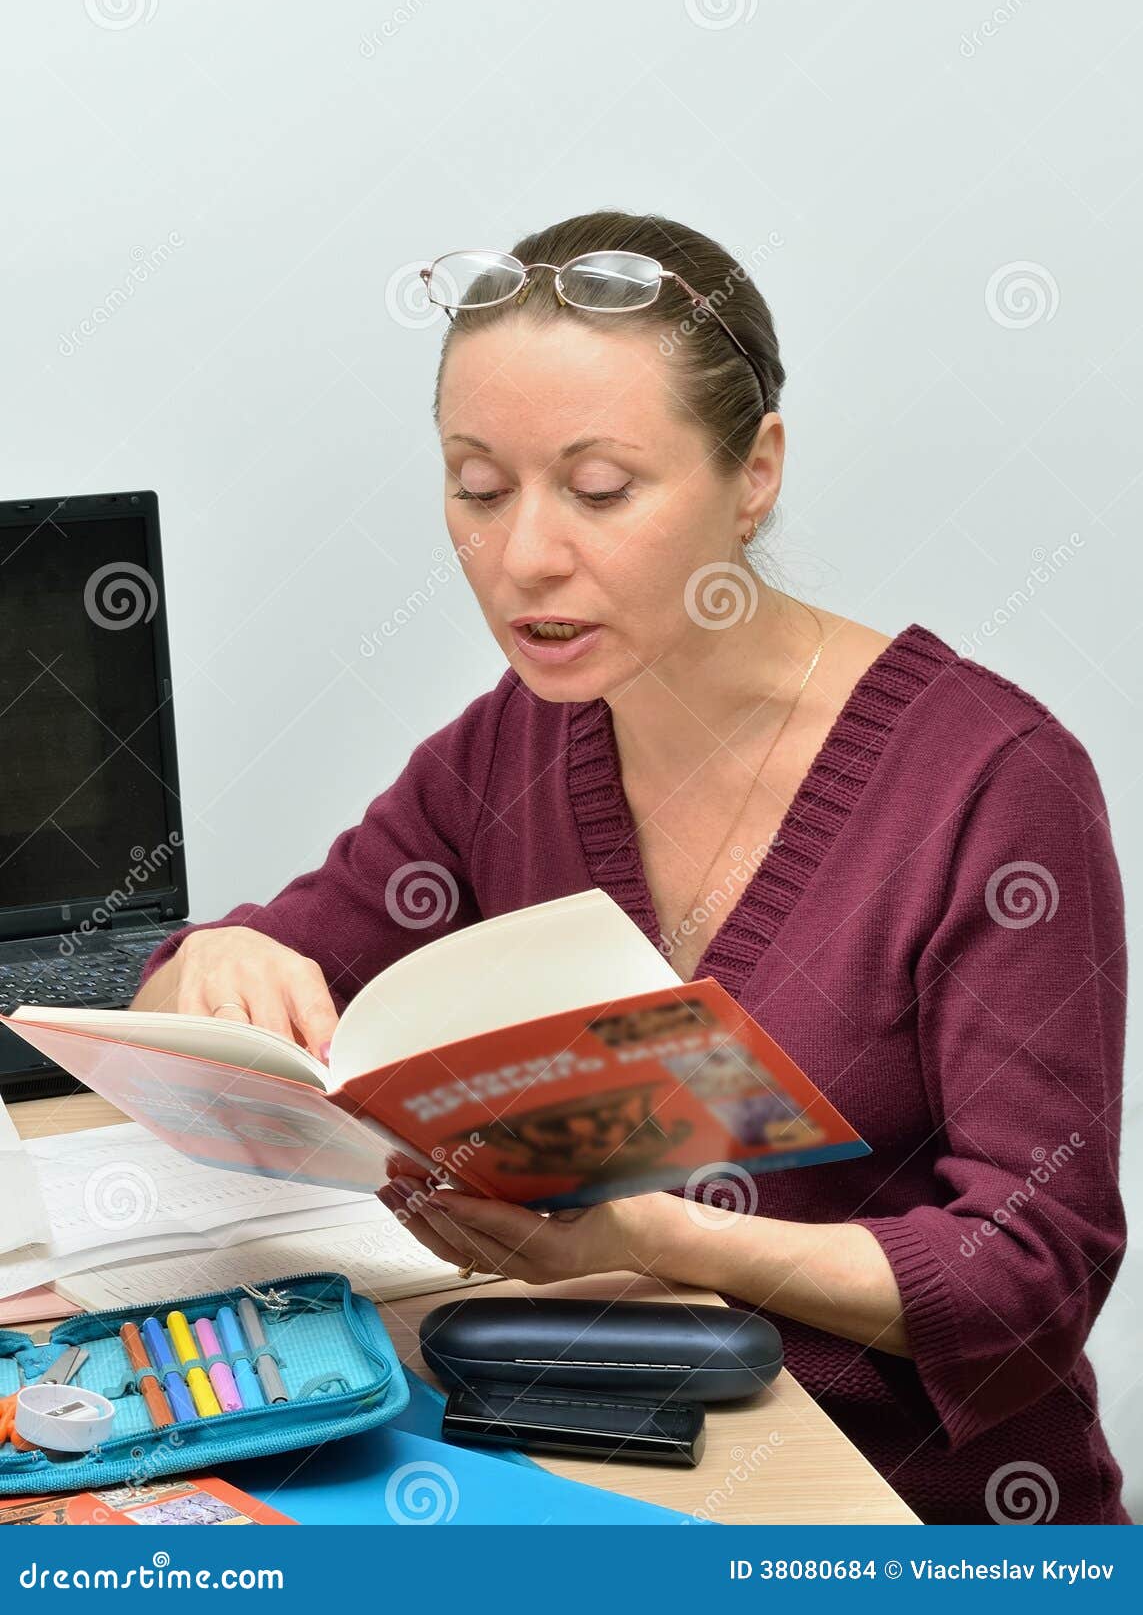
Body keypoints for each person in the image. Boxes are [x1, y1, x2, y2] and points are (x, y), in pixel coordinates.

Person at [133, 210, 1130, 1525]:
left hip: (923, 1518)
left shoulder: (995, 785)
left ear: (755, 471)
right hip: (615, 1471)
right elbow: (214, 1000)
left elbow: (1032, 1272)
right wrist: (212, 959)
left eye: (601, 491)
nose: (526, 555)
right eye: (478, 488)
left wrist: (655, 1238)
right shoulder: (513, 745)